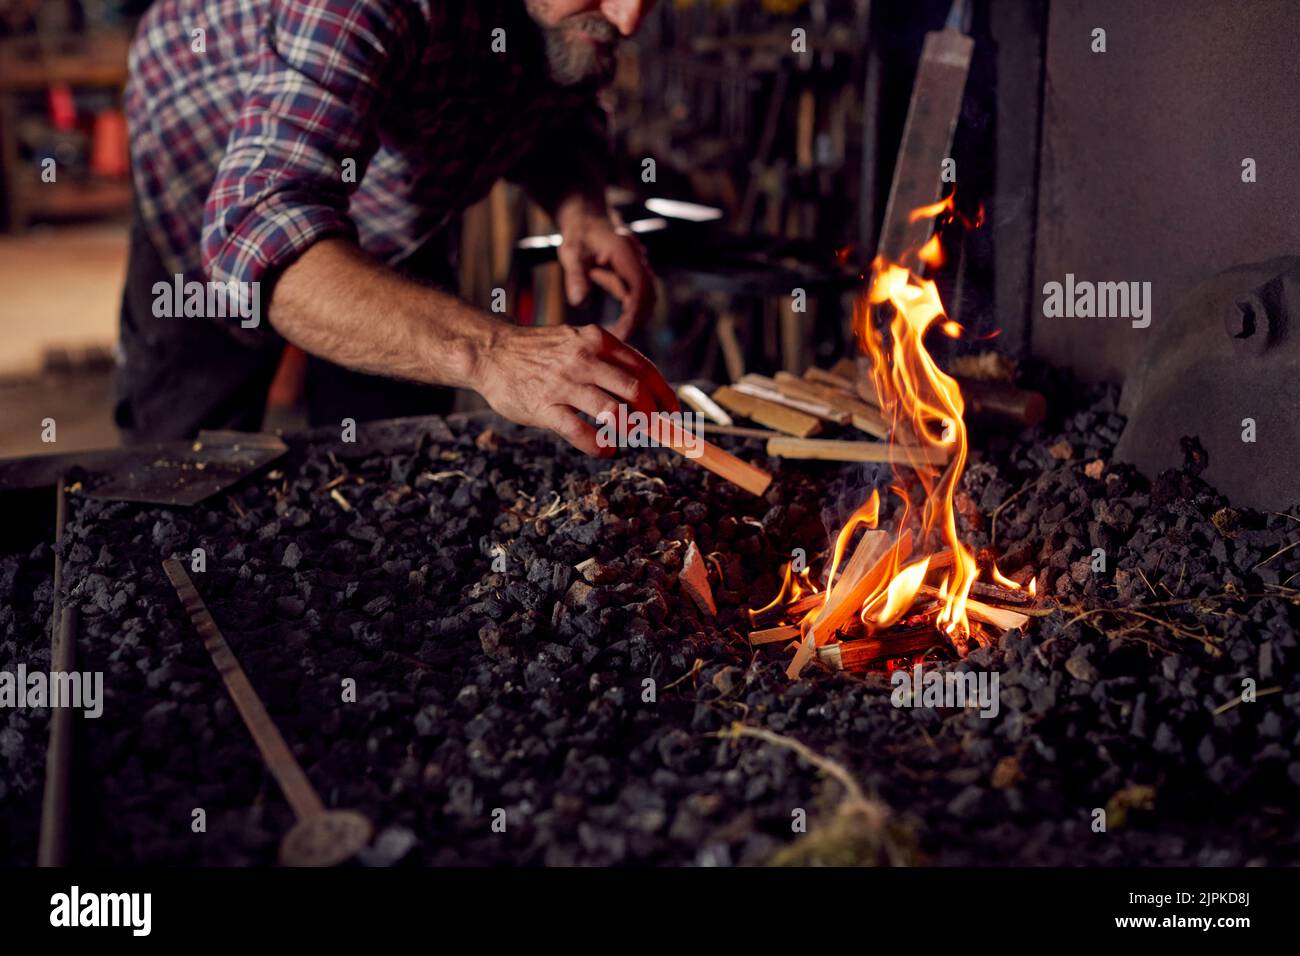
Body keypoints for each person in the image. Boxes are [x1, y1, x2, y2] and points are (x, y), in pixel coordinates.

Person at [116, 0, 675, 455]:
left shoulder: (573, 15)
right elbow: (256, 229)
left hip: (395, 204)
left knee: (388, 466)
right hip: (210, 171)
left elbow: (563, 108)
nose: (627, 18)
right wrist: (491, 350)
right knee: (181, 468)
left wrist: (584, 211)